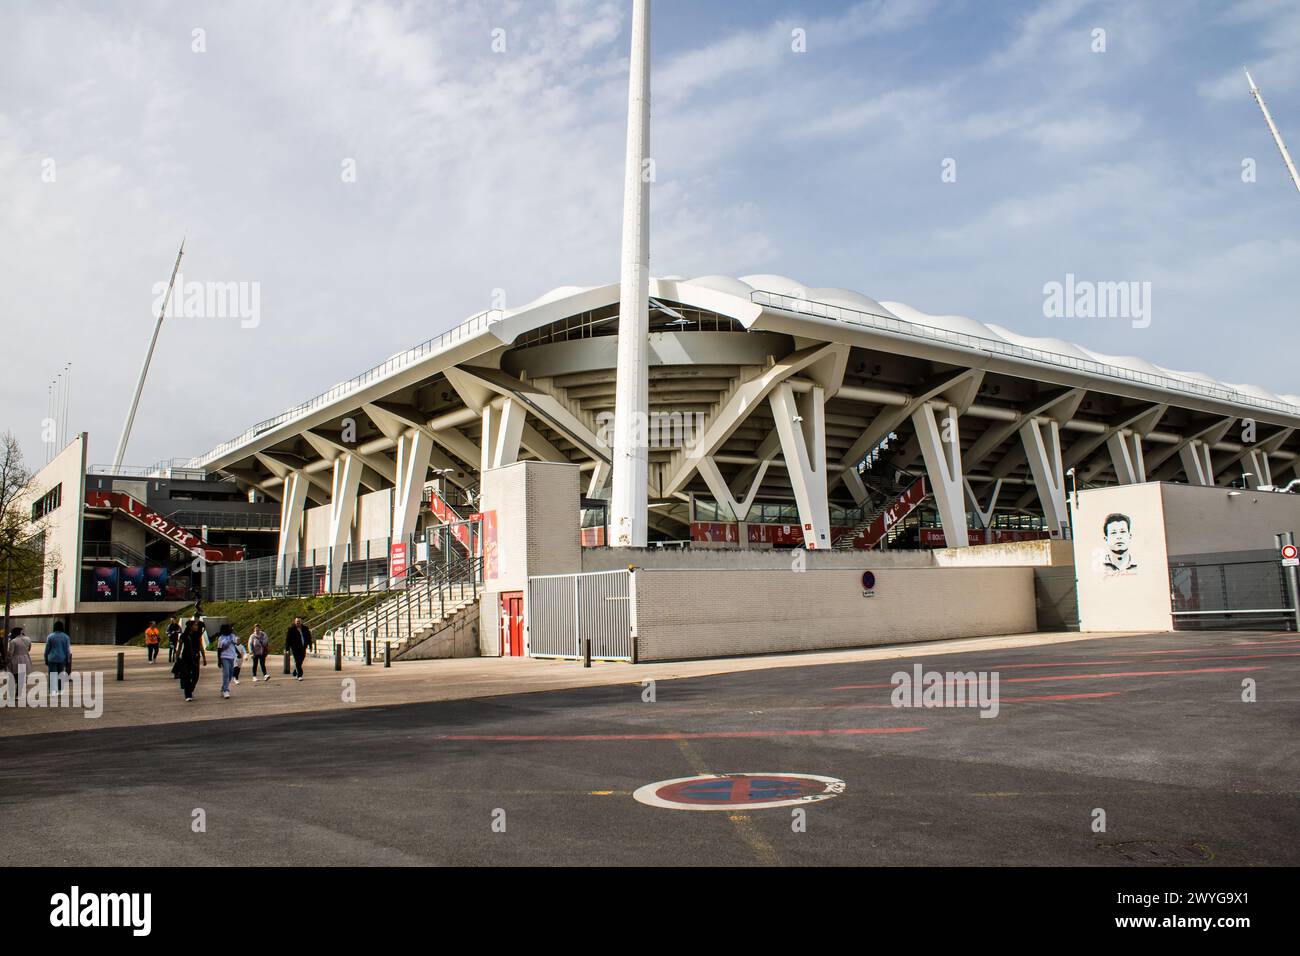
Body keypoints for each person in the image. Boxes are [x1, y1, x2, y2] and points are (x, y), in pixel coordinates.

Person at [173, 618, 206, 702]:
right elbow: (179, 648)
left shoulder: (197, 635)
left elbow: (200, 646)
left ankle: (190, 690)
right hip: (186, 658)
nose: (197, 626)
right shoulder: (183, 636)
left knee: (196, 676)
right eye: (195, 625)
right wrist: (177, 658)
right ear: (190, 627)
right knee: (187, 676)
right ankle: (188, 694)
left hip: (195, 658)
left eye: (196, 625)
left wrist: (204, 658)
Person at [44, 621, 72, 695]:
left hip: (52, 658)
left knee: (52, 674)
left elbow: (47, 649)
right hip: (62, 658)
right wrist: (68, 659)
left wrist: (45, 658)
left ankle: (52, 691)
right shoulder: (66, 637)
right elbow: (67, 649)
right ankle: (60, 690)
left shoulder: (50, 636)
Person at [216, 624, 243, 699]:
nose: (230, 629)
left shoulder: (232, 636)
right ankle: (226, 690)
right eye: (229, 628)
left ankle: (223, 688)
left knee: (231, 674)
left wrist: (238, 653)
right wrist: (218, 660)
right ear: (225, 629)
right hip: (224, 657)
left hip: (232, 657)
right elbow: (219, 649)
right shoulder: (221, 638)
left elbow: (235, 645)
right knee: (226, 673)